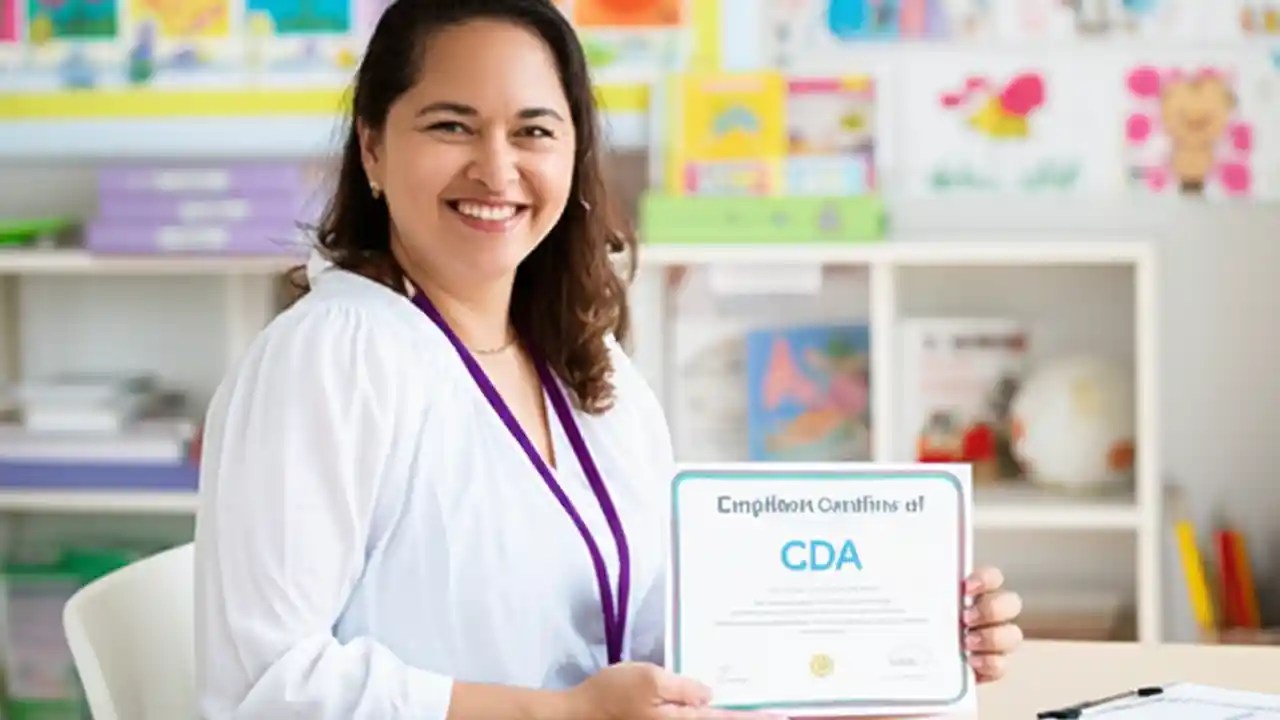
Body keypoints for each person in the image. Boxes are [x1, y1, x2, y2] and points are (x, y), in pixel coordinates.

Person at [192, 1, 1025, 718]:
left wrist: (904, 639)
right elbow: (267, 686)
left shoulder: (589, 364)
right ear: (373, 147)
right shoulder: (330, 356)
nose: (496, 167)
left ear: (573, 154)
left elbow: (665, 632)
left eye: (534, 131)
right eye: (451, 126)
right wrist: (564, 714)